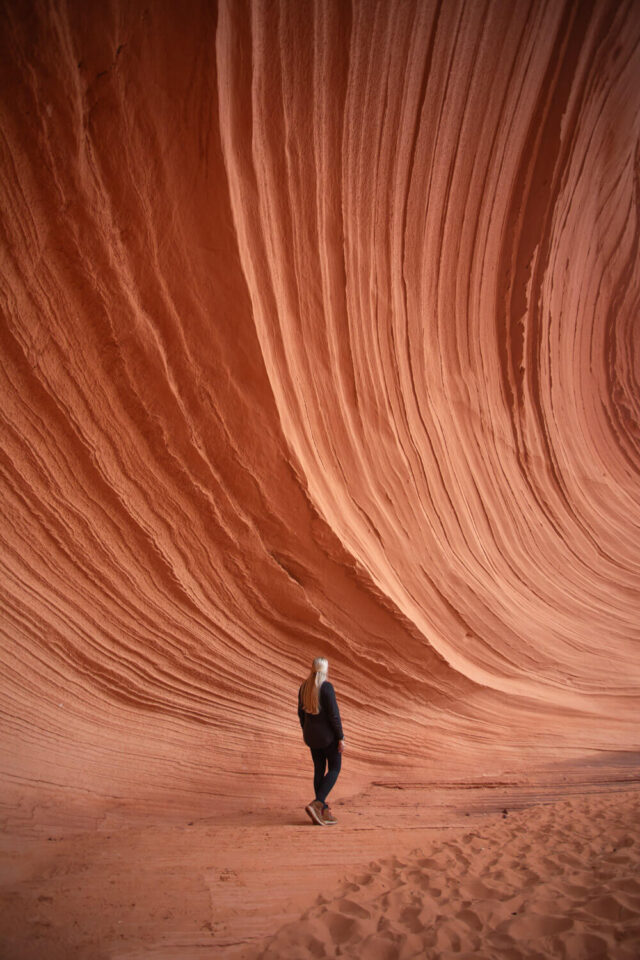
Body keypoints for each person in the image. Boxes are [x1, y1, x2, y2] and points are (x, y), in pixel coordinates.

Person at [298, 656, 345, 825]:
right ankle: (318, 804)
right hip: (328, 738)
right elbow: (334, 715)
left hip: (311, 737)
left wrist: (306, 732)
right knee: (335, 768)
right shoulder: (326, 687)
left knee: (319, 769)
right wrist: (340, 737)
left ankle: (322, 810)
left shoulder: (304, 687)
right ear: (325, 670)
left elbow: (300, 714)